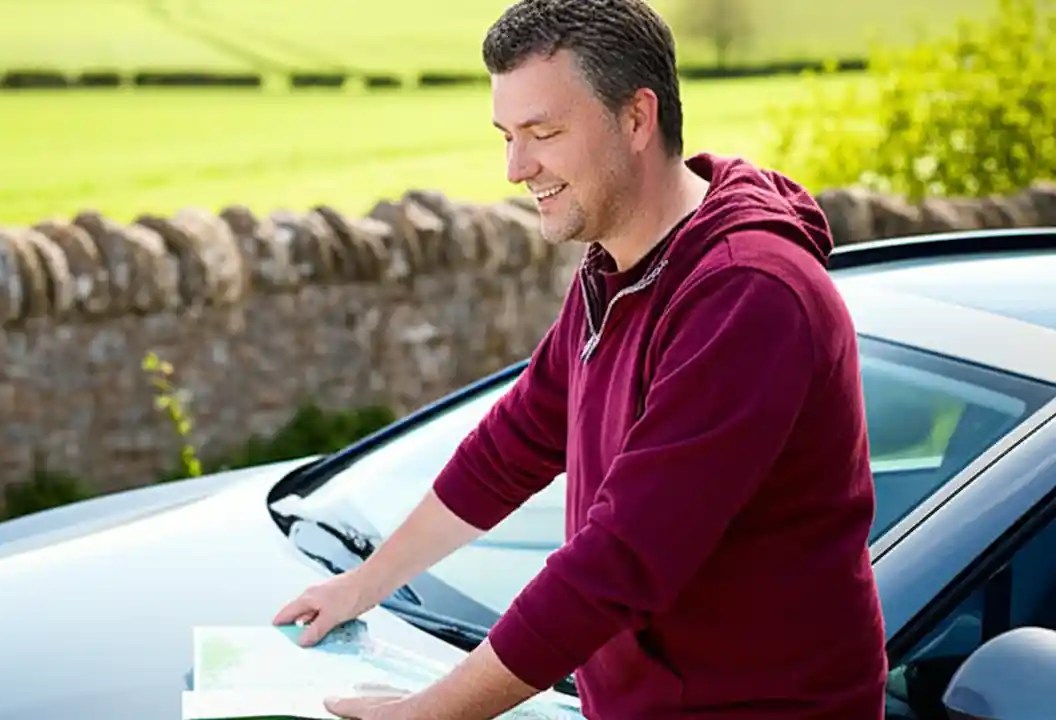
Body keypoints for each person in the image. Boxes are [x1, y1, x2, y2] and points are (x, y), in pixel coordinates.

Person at [273, 0, 889, 717]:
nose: (515, 168)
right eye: (507, 135)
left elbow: (622, 560)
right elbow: (515, 443)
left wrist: (431, 711)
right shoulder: (619, 266)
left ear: (635, 119)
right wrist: (364, 584)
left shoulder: (748, 296)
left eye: (544, 132)